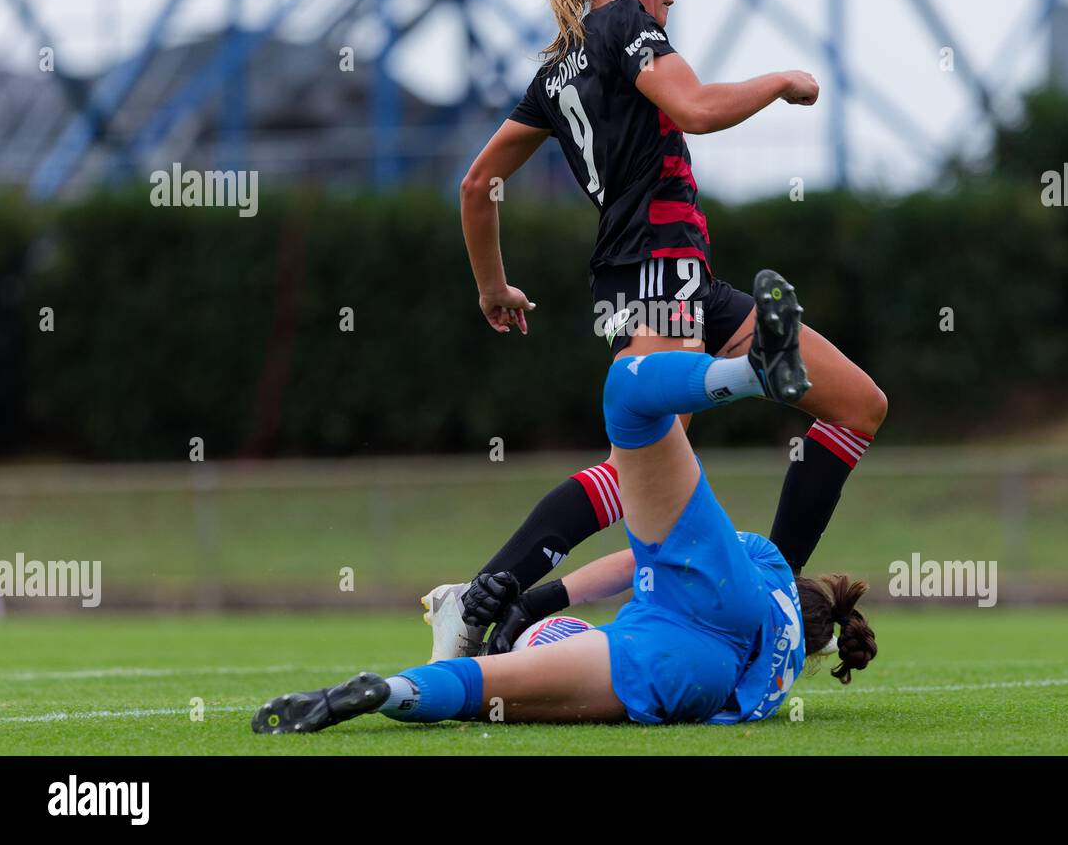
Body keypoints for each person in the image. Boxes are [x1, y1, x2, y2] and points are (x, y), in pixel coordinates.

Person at [437, 0, 888, 660]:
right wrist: (780, 79)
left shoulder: (555, 72)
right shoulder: (620, 26)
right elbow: (698, 108)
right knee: (637, 471)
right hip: (652, 271)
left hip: (688, 279)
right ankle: (482, 593)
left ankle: (769, 583)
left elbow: (477, 184)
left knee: (857, 406)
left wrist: (493, 288)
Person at [252, 272, 876, 733]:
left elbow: (479, 186)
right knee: (491, 687)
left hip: (692, 619)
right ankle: (398, 684)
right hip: (701, 654)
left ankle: (435, 640)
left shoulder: (764, 573)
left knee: (630, 422)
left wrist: (541, 599)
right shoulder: (773, 632)